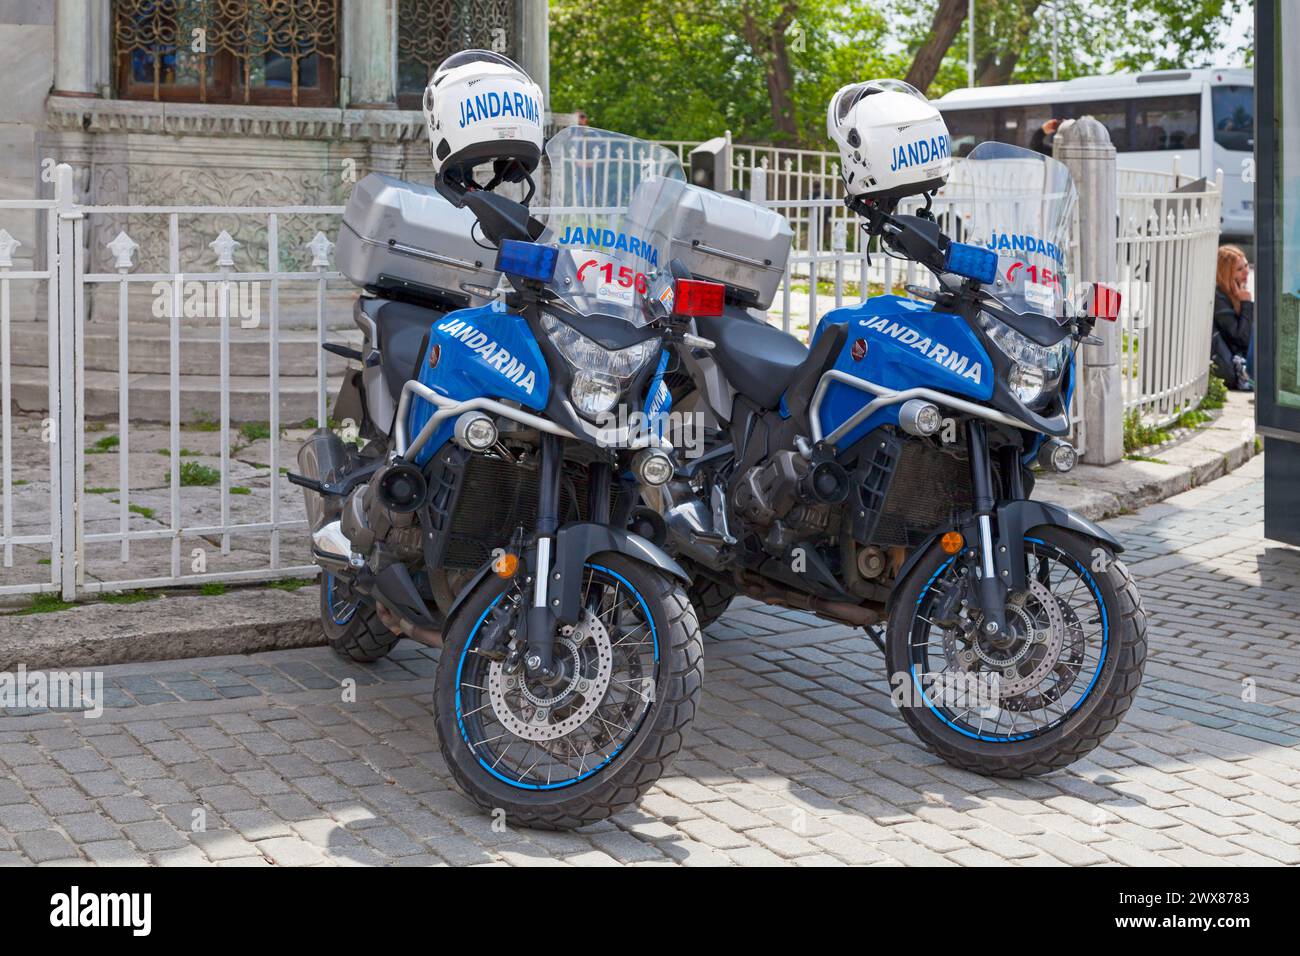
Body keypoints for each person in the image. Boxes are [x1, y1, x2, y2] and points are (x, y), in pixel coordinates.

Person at [1212, 244, 1254, 390]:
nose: (1246, 272)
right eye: (1239, 269)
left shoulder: (1237, 293)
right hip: (1232, 366)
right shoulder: (1219, 299)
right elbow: (1242, 338)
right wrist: (1246, 303)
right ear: (1226, 273)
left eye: (1246, 266)